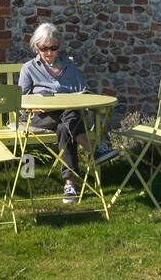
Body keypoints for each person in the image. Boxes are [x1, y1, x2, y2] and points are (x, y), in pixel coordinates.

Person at [19, 22, 117, 203]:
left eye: (53, 48)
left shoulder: (69, 66)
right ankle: (95, 151)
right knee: (66, 114)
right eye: (44, 48)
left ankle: (70, 184)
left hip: (66, 117)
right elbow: (21, 100)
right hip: (39, 117)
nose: (49, 53)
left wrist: (75, 99)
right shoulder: (29, 68)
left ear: (59, 47)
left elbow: (84, 91)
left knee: (65, 127)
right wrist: (35, 108)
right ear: (36, 47)